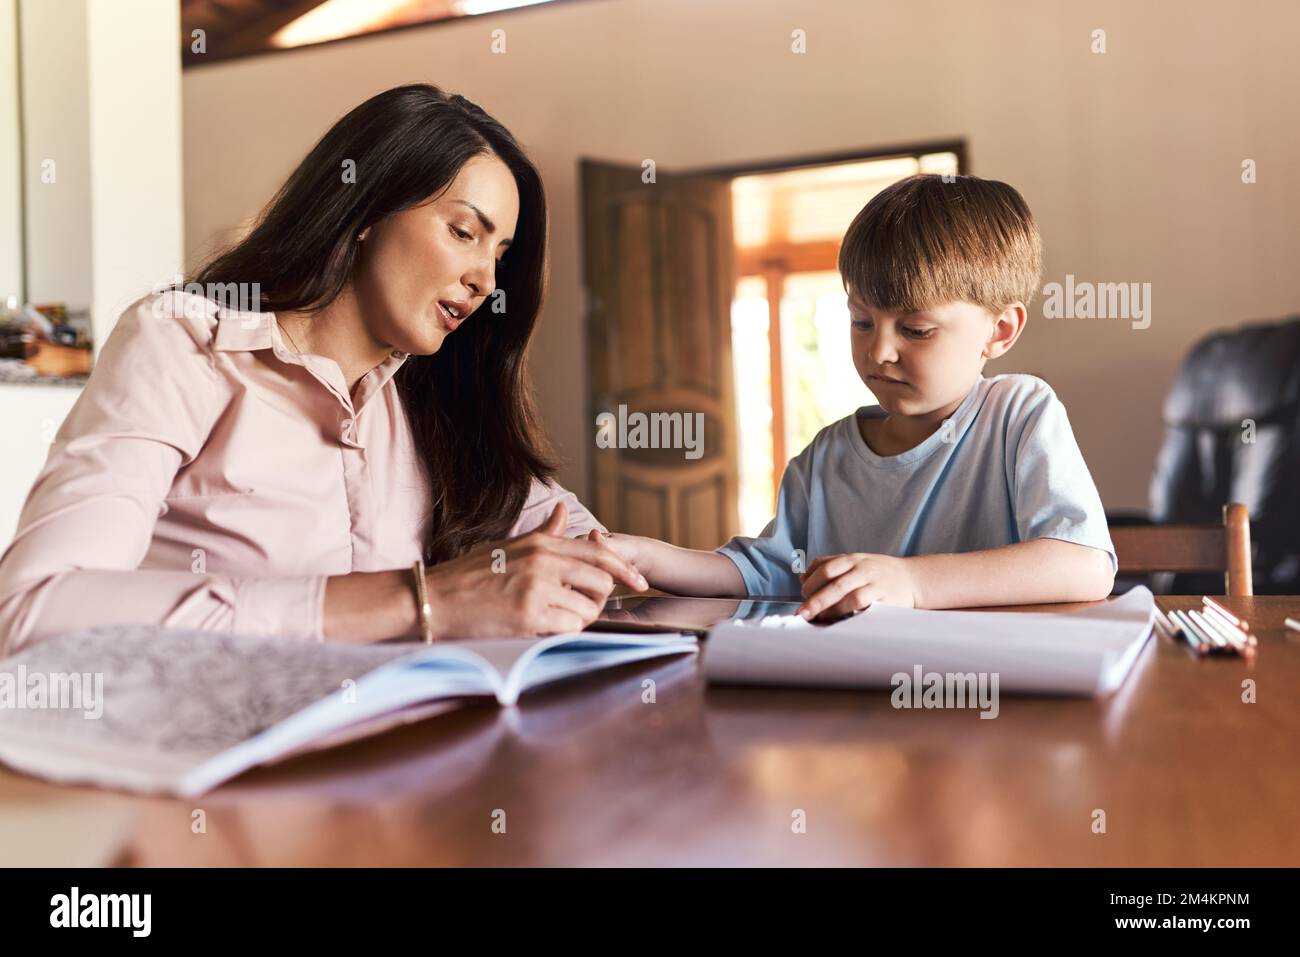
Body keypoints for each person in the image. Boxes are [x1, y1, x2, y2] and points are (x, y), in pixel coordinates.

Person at [0, 84, 645, 657]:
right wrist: (424, 602)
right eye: (463, 232)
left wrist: (745, 566)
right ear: (367, 211)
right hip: (193, 770)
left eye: (500, 254)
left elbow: (592, 547)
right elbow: (33, 611)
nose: (486, 281)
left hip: (383, 764)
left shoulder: (434, 395)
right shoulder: (186, 342)